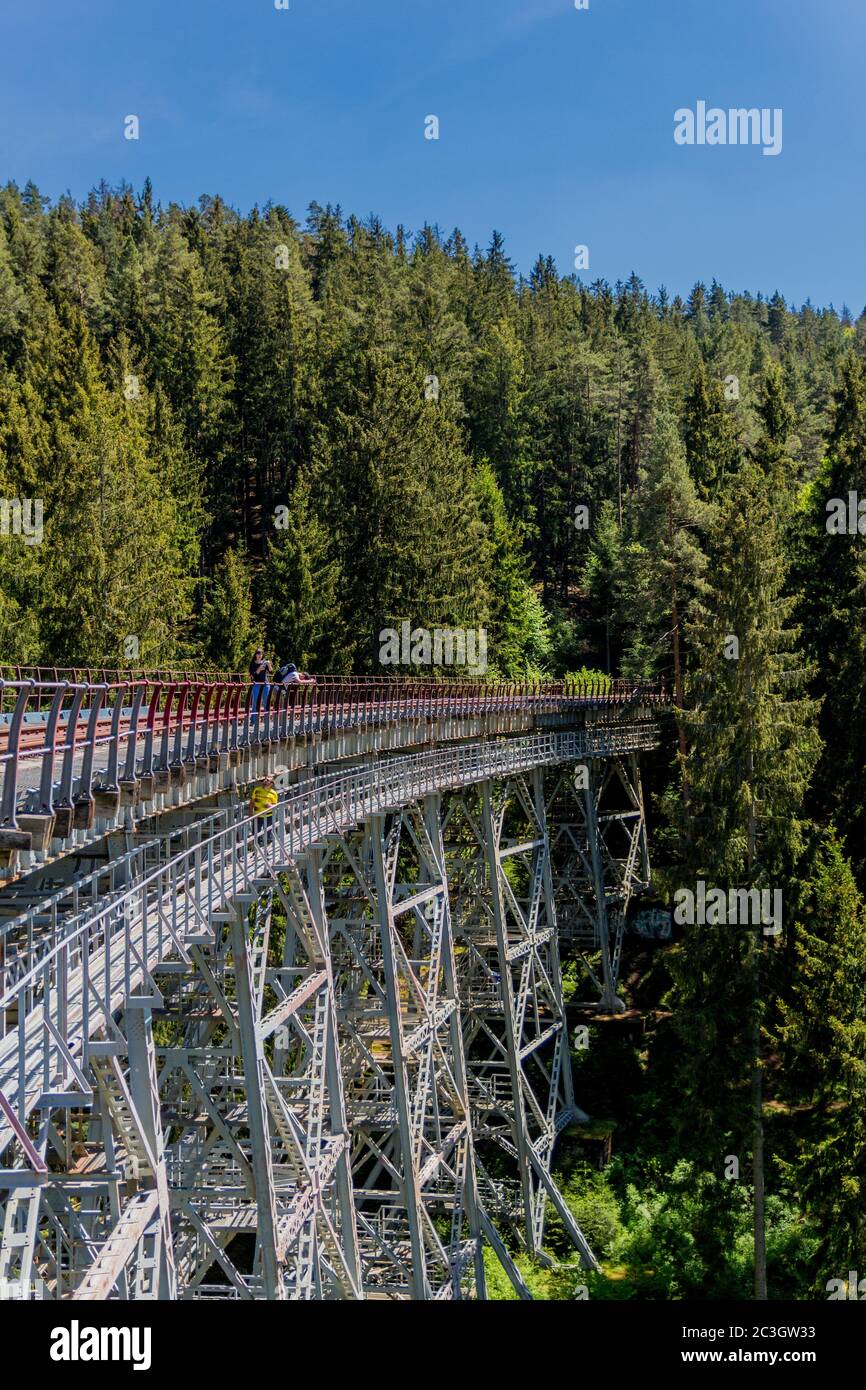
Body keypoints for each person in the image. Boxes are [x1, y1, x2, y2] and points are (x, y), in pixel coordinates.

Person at [249, 648, 272, 713]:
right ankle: (253, 720)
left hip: (265, 684)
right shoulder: (252, 663)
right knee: (255, 702)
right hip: (256, 684)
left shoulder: (264, 662)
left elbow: (270, 671)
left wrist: (269, 664)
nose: (259, 655)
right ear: (255, 655)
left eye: (261, 654)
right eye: (258, 653)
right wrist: (259, 669)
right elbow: (253, 675)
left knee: (266, 702)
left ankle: (266, 720)